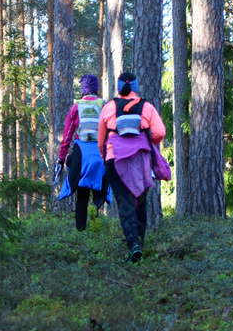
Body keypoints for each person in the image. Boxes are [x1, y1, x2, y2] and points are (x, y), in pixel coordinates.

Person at [98, 71, 172, 263]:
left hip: (115, 157)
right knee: (140, 200)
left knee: (125, 202)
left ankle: (134, 246)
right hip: (141, 158)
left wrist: (105, 154)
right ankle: (140, 242)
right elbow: (160, 132)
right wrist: (147, 142)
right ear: (136, 87)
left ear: (119, 87)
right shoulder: (146, 106)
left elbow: (101, 138)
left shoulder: (109, 107)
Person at [53, 74, 109, 231]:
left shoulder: (76, 108)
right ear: (96, 88)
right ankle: (96, 214)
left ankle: (81, 231)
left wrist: (60, 160)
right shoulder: (104, 106)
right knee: (102, 188)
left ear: (83, 89)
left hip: (81, 154)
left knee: (82, 196)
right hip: (100, 154)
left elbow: (67, 137)